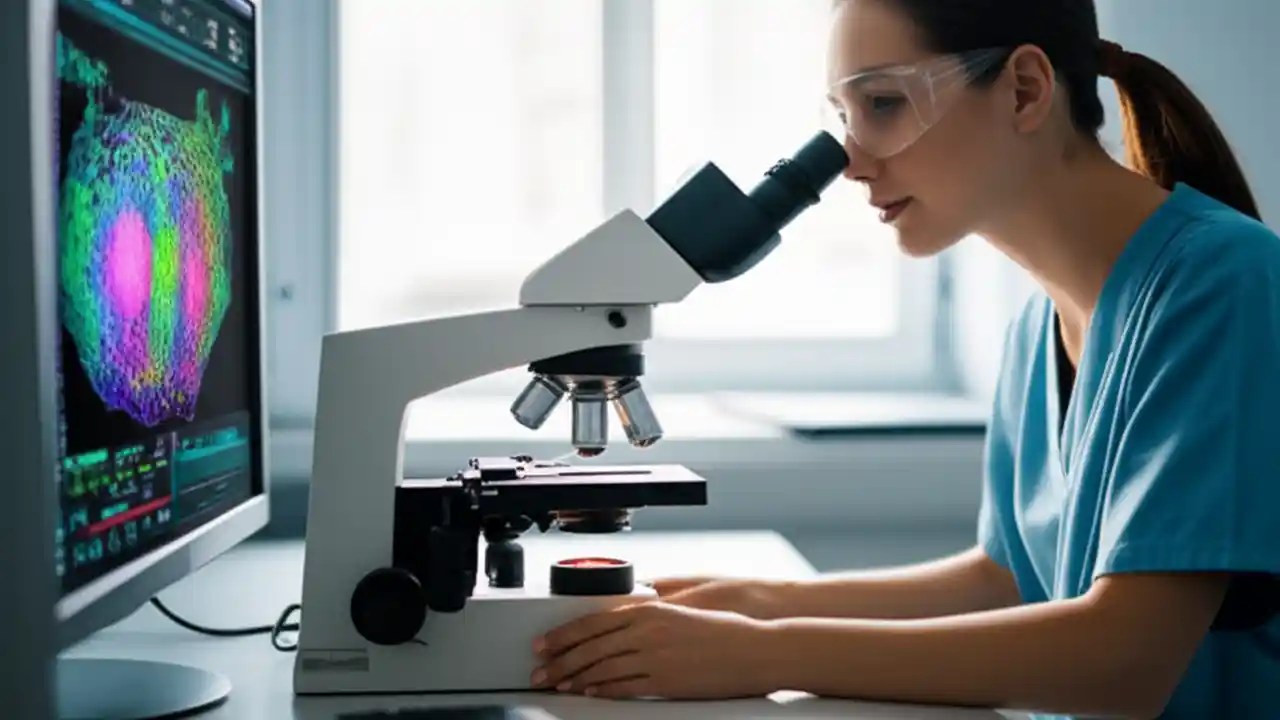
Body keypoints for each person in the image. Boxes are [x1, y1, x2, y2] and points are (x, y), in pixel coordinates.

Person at [530, 0, 1280, 717]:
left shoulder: (1220, 282)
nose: (851, 162)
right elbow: (1010, 579)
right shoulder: (1040, 324)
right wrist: (757, 601)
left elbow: (1126, 658)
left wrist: (767, 652)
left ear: (1024, 89)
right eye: (844, 116)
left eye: (883, 104)